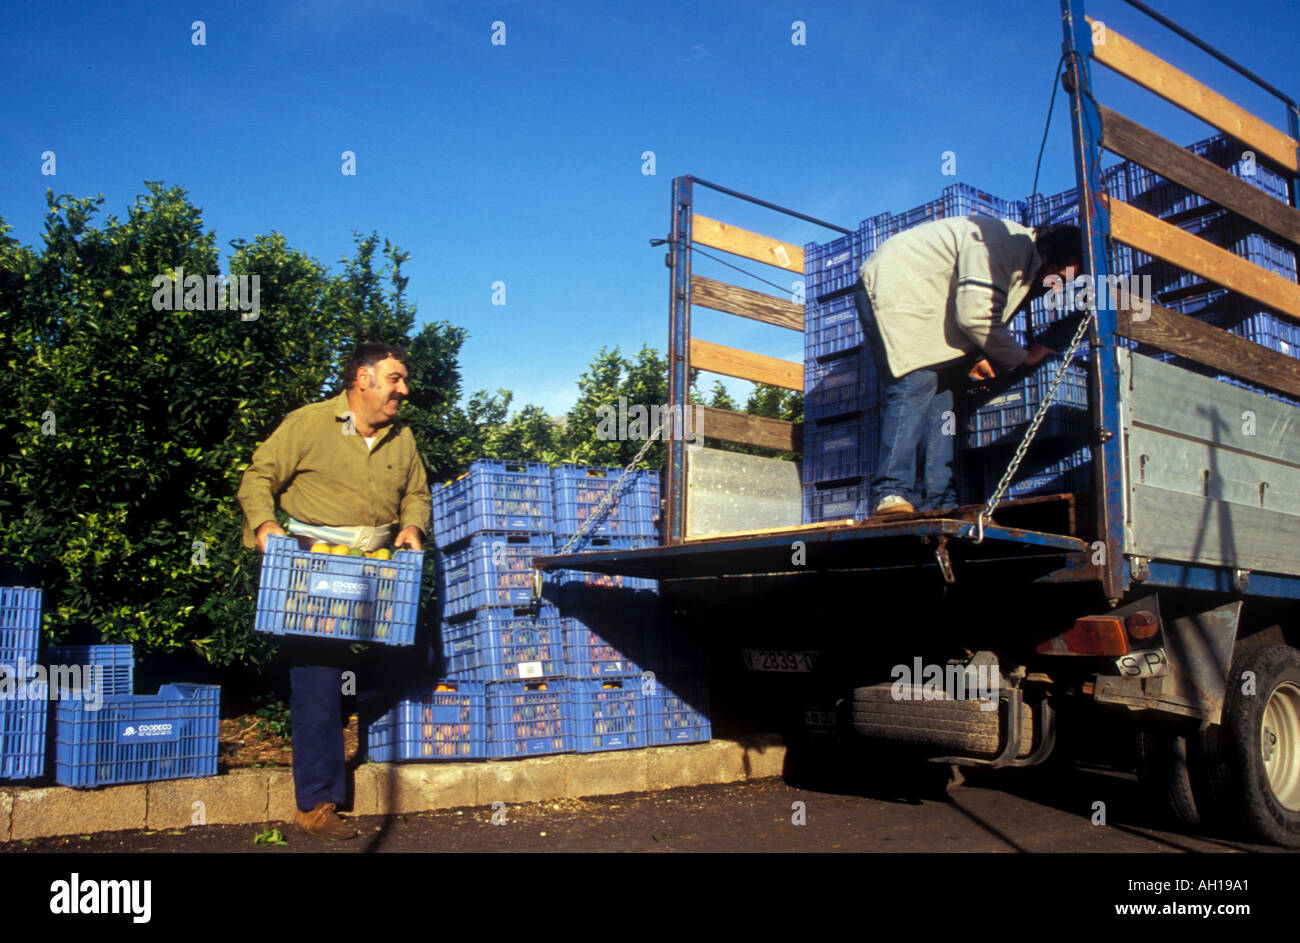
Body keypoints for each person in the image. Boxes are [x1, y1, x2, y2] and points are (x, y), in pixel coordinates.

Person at [238, 342, 431, 840]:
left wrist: (413, 526)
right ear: (362, 380)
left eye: (403, 380)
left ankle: (393, 762)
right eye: (394, 379)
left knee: (398, 664)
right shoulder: (309, 424)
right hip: (316, 569)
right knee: (320, 678)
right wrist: (264, 524)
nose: (403, 390)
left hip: (380, 571)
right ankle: (317, 803)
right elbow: (258, 475)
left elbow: (416, 491)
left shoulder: (402, 437)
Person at [853, 218, 1082, 517]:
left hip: (933, 305)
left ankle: (940, 498)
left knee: (945, 399)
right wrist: (1021, 357)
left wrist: (977, 355)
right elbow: (977, 315)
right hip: (897, 288)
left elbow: (981, 307)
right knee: (915, 382)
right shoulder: (1005, 243)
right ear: (1048, 251)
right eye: (1059, 275)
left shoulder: (1023, 258)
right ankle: (890, 492)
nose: (1056, 285)